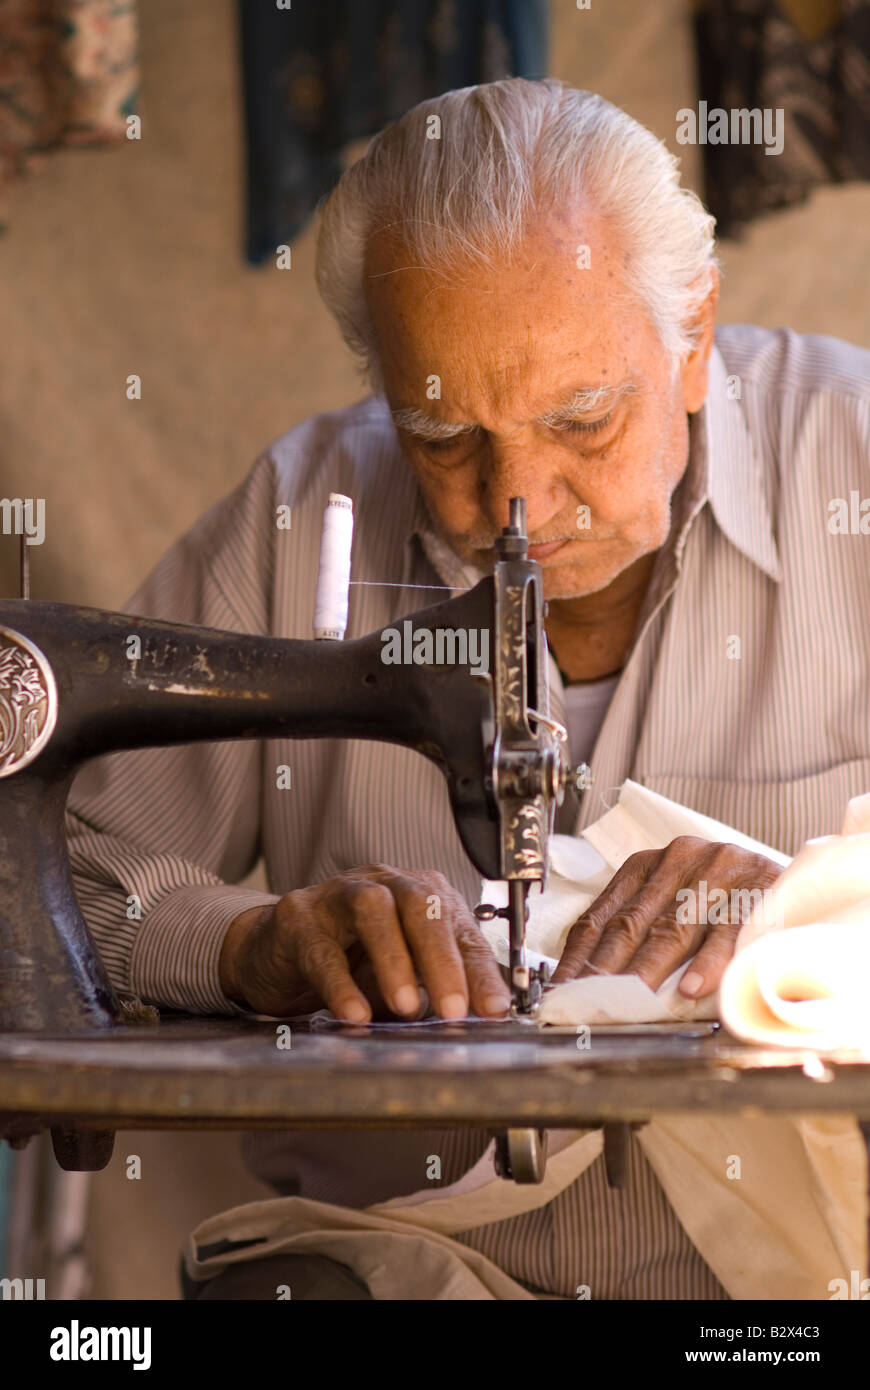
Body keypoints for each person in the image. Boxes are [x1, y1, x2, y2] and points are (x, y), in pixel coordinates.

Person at [68, 78, 870, 1299]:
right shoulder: (302, 517)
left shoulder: (853, 463)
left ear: (694, 337)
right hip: (398, 1265)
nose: (516, 502)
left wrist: (827, 909)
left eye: (584, 420)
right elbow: (56, 873)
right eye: (440, 438)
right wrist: (246, 945)